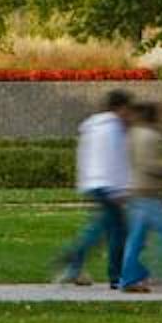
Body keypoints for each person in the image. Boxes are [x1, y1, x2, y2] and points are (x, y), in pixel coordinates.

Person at [54, 89, 131, 287]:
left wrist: (86, 181)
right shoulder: (113, 129)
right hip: (108, 185)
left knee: (101, 228)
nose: (128, 115)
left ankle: (75, 264)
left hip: (94, 183)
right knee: (118, 231)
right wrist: (120, 190)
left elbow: (84, 157)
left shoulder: (92, 127)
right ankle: (116, 277)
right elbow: (115, 160)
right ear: (120, 108)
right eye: (127, 110)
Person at [117, 100, 162, 292]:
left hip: (135, 193)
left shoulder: (132, 135)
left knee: (135, 241)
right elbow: (150, 165)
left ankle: (131, 278)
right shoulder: (151, 137)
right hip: (149, 195)